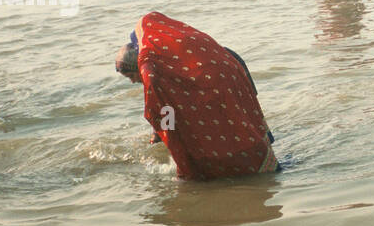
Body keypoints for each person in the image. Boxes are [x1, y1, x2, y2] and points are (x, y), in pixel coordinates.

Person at [115, 13, 276, 180]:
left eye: (131, 77)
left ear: (137, 67)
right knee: (246, 119)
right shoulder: (162, 51)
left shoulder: (153, 72)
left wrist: (163, 137)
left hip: (217, 81)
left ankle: (244, 164)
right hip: (230, 64)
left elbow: (165, 110)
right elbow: (166, 105)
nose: (133, 82)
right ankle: (261, 155)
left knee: (227, 129)